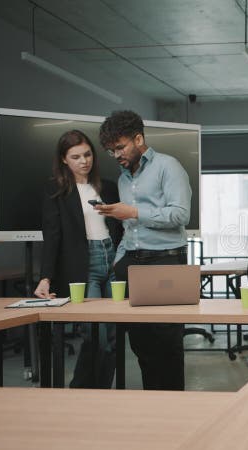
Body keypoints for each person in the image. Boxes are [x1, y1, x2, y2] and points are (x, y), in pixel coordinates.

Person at [96, 110, 191, 391]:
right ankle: (153, 405)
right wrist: (118, 262)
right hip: (132, 262)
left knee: (167, 344)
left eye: (120, 147)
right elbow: (130, 231)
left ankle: (172, 409)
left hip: (166, 262)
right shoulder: (124, 179)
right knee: (141, 344)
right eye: (111, 150)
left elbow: (180, 214)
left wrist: (133, 212)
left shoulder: (168, 166)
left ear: (138, 139)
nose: (116, 155)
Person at [35, 129, 123, 389]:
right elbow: (52, 235)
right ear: (64, 159)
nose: (84, 161)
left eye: (87, 154)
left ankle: (99, 393)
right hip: (85, 268)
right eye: (75, 157)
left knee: (114, 339)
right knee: (96, 336)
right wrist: (45, 277)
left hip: (112, 261)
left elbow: (120, 227)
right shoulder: (55, 189)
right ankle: (81, 390)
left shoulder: (108, 186)